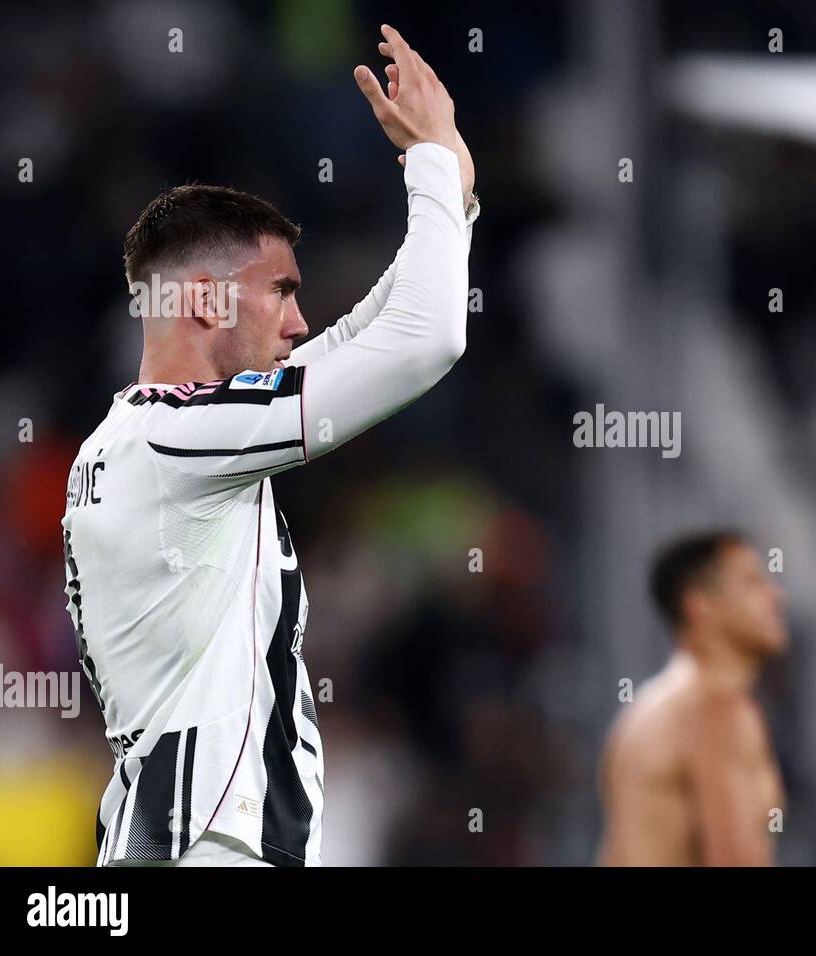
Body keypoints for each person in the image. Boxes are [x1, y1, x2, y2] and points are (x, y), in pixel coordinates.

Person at [60, 24, 478, 867]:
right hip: (213, 844)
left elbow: (369, 332)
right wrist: (432, 166)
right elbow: (426, 341)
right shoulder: (182, 441)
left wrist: (452, 187)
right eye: (281, 293)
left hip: (173, 842)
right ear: (209, 302)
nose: (300, 320)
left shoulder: (143, 437)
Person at [597, 531, 789, 865]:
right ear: (700, 605)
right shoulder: (716, 710)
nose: (775, 596)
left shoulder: (644, 708)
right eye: (752, 582)